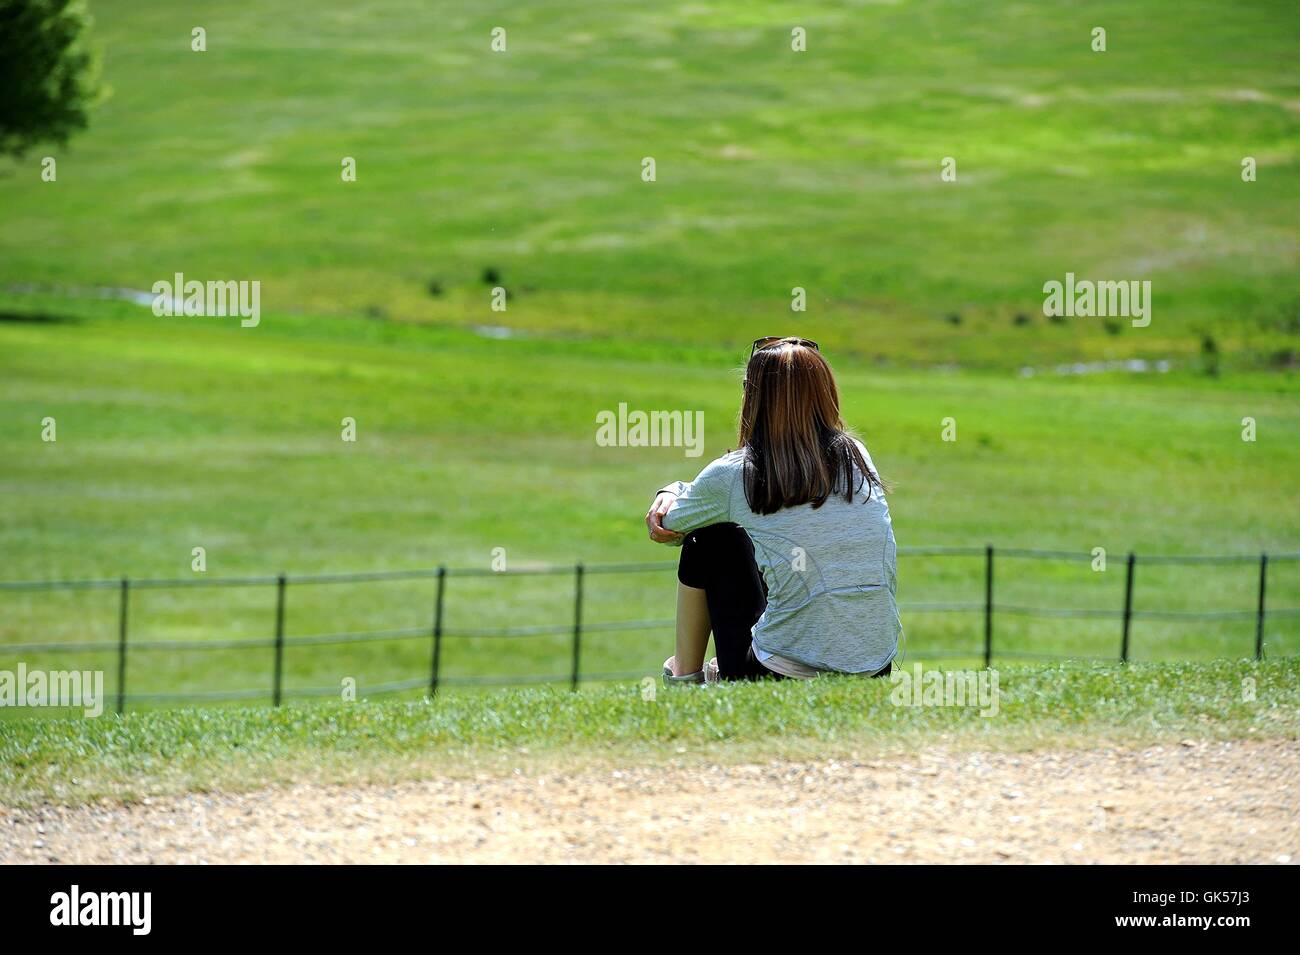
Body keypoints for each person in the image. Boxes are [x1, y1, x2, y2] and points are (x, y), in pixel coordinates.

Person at [645, 337, 900, 683]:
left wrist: (672, 490)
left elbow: (669, 526)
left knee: (709, 539)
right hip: (874, 665)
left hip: (783, 674)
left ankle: (684, 677)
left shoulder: (737, 473)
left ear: (755, 398)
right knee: (773, 542)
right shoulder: (856, 455)